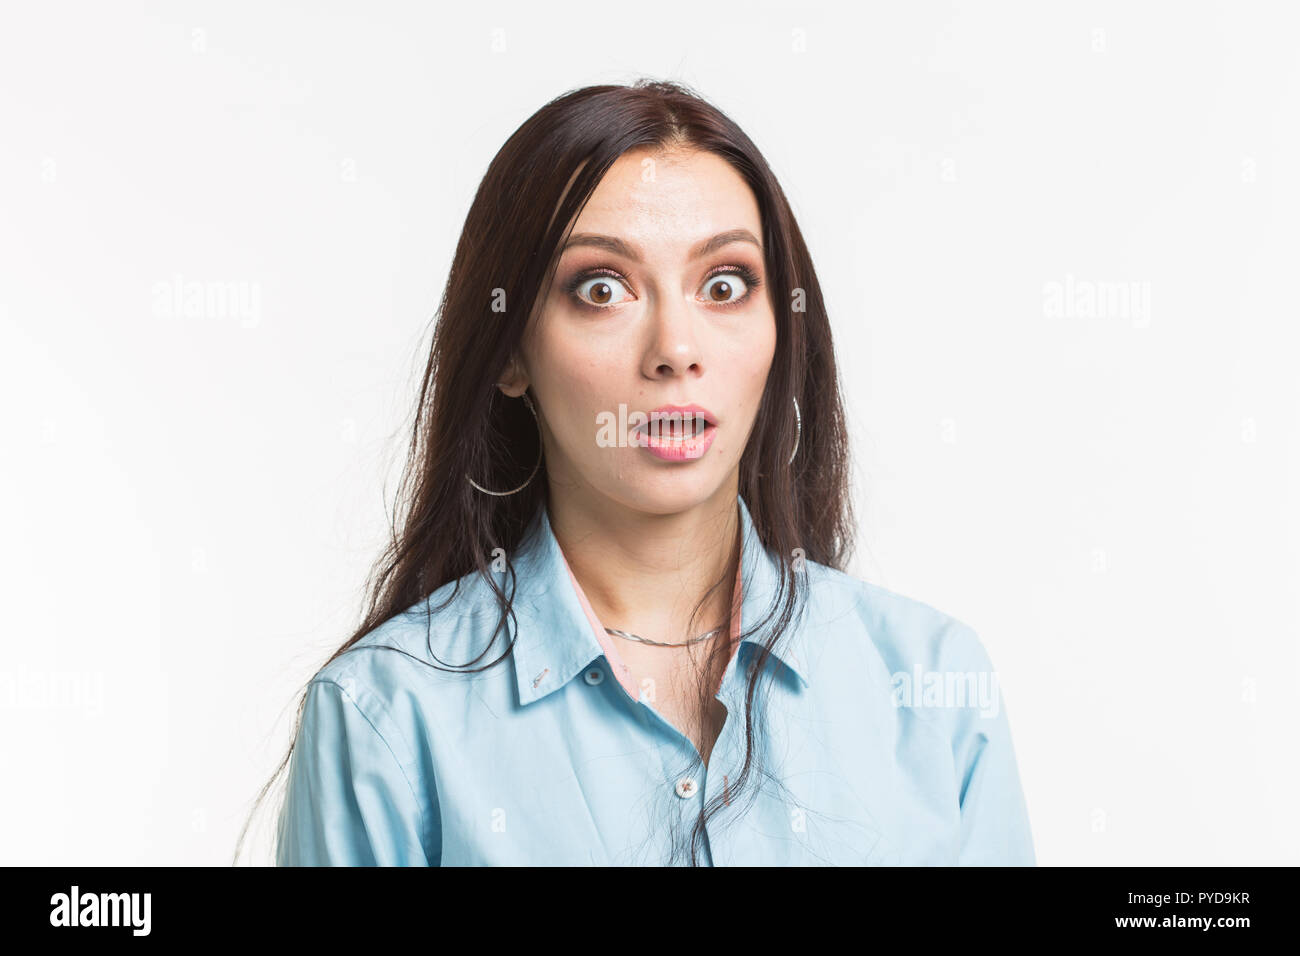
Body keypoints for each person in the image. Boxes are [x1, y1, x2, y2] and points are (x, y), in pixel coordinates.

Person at [253, 79, 1035, 866]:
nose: (676, 347)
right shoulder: (383, 717)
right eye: (601, 289)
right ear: (512, 353)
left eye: (725, 286)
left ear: (779, 332)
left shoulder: (932, 686)